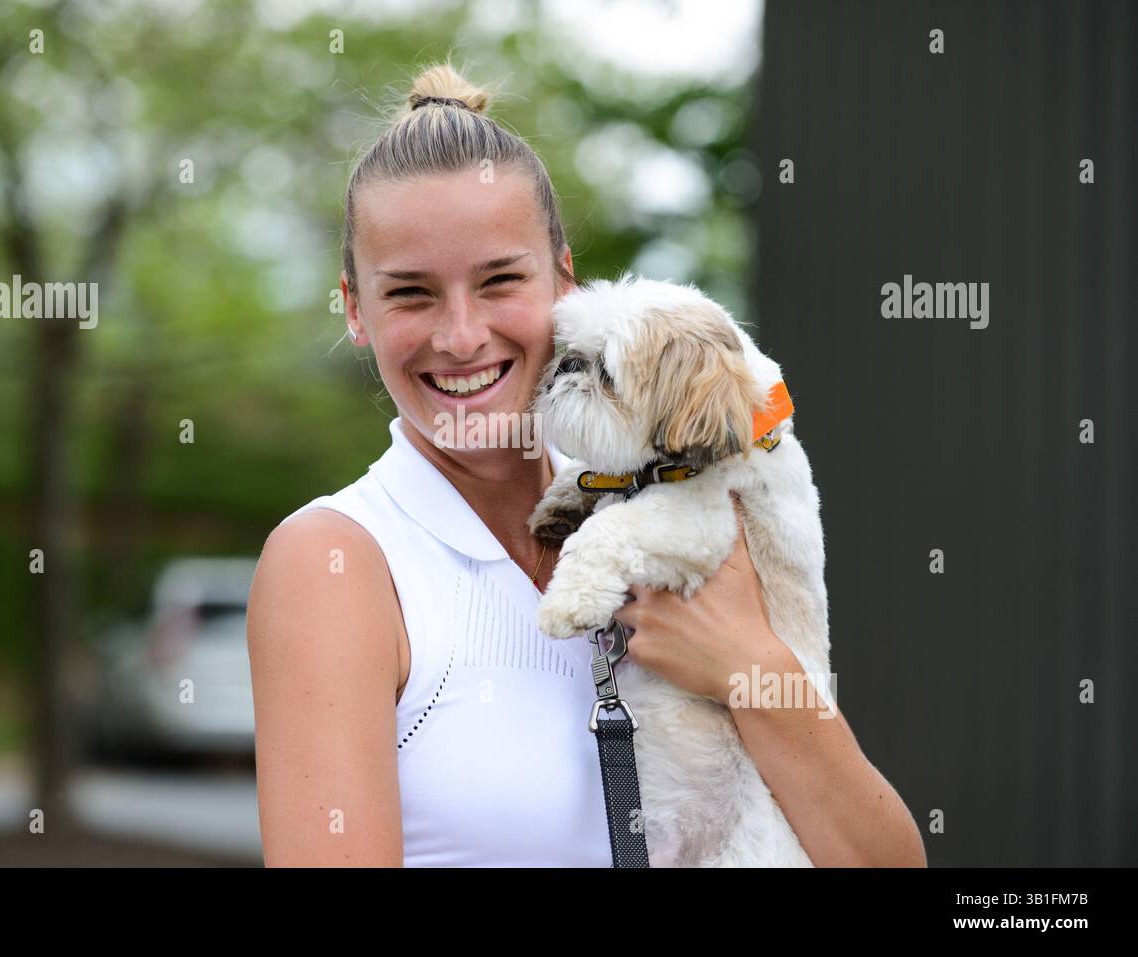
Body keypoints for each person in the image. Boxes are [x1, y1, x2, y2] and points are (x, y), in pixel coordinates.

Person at [247, 61, 926, 868]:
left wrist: (750, 669)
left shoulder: (680, 503)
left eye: (501, 280)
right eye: (411, 294)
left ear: (565, 280)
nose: (461, 336)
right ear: (355, 308)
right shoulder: (336, 563)